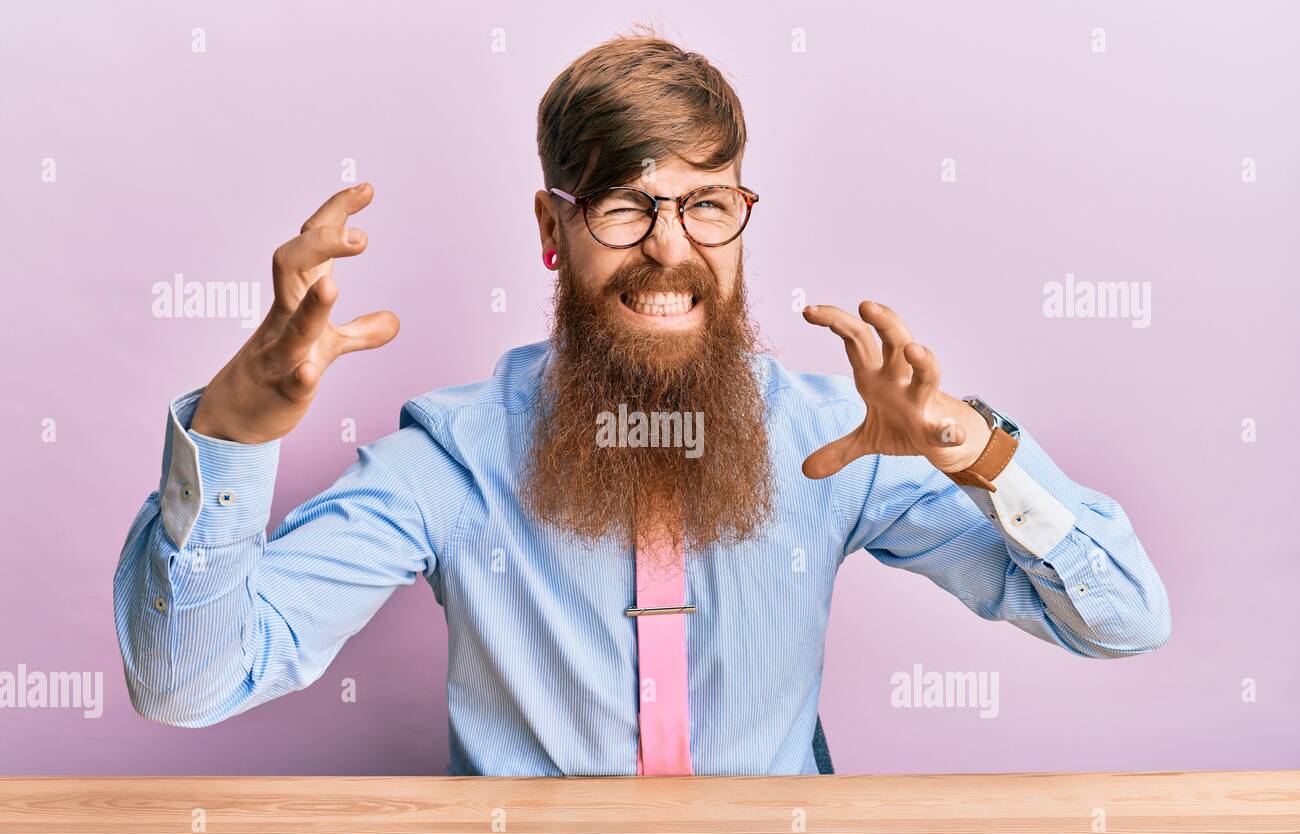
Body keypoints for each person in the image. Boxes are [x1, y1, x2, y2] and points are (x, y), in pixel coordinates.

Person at [112, 31, 1171, 777]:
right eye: (626, 207)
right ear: (551, 227)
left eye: (708, 204)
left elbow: (1122, 621)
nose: (672, 247)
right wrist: (234, 431)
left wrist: (974, 452)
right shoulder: (453, 459)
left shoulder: (835, 442)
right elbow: (190, 684)